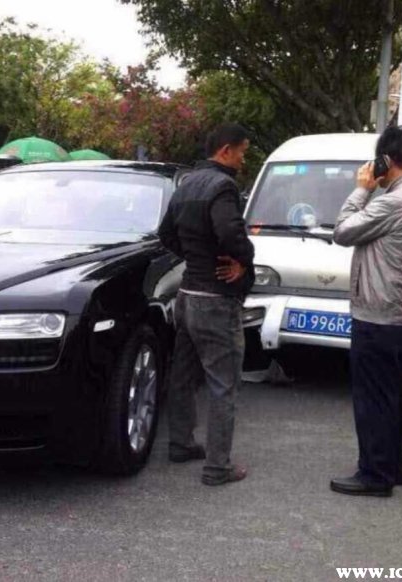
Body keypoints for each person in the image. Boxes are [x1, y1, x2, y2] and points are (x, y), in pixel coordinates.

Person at [330, 127, 402, 497]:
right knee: (393, 395)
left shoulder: (392, 203)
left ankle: (375, 475)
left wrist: (362, 189)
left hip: (378, 315)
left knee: (373, 399)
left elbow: (343, 231)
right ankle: (395, 466)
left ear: (386, 161)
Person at [159, 123, 255, 486]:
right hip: (215, 299)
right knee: (223, 384)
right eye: (242, 152)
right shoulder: (223, 186)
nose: (243, 160)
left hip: (186, 296)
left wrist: (196, 258)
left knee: (182, 376)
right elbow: (230, 233)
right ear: (226, 150)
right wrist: (242, 260)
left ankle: (181, 443)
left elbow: (166, 234)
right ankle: (218, 466)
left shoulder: (186, 184)